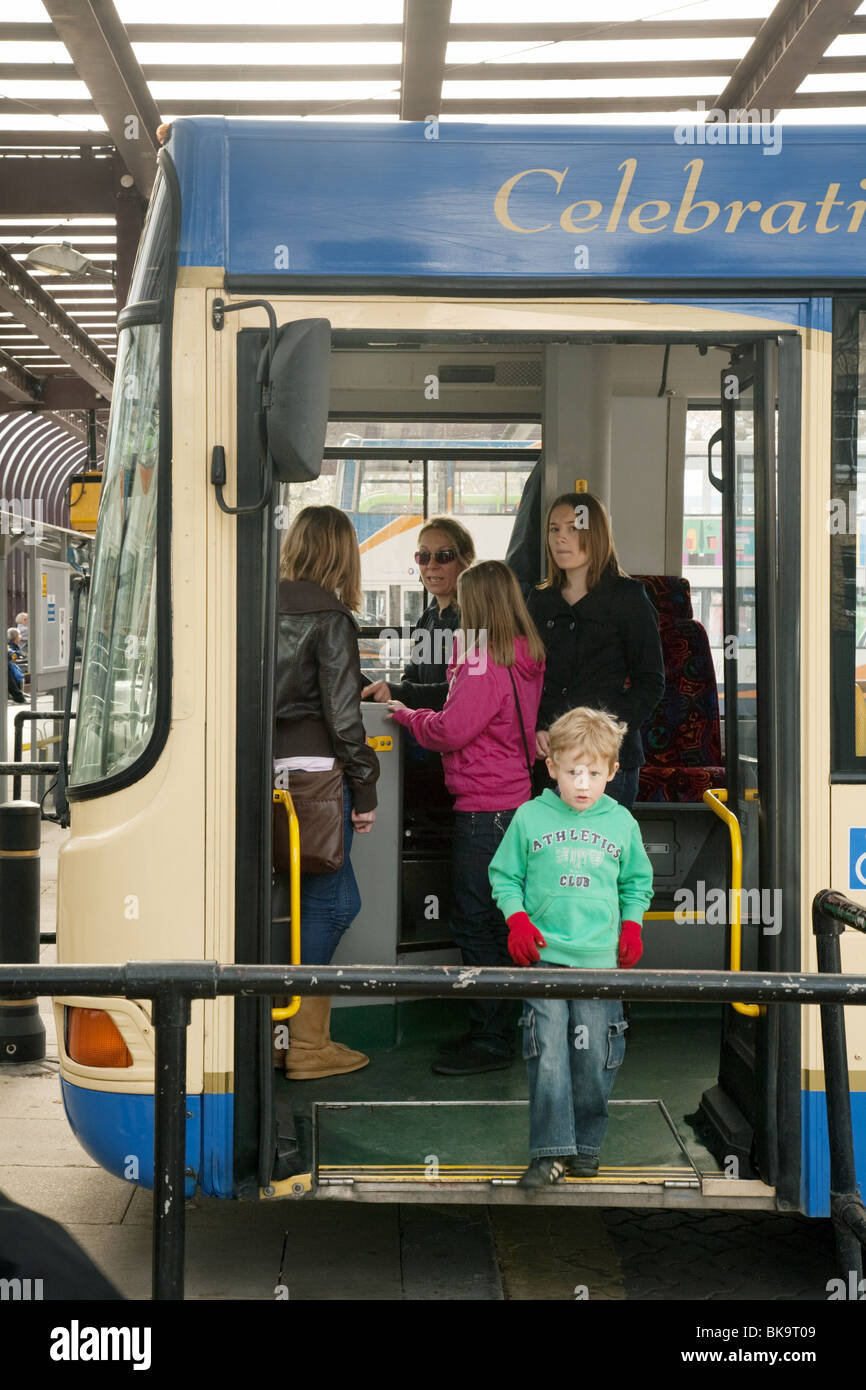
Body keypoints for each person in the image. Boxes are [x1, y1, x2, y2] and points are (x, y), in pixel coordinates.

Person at [387, 560, 545, 1074]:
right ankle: (503, 1026)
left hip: (483, 808)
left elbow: (451, 731)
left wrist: (407, 715)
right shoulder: (526, 656)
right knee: (503, 917)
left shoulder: (481, 663)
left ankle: (491, 1036)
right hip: (513, 799)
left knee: (476, 921)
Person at [488, 706, 653, 1188]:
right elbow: (504, 875)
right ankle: (550, 1152)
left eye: (595, 773)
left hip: (600, 962)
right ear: (552, 766)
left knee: (595, 1054)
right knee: (550, 1054)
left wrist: (632, 927)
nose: (583, 783)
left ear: (613, 772)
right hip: (543, 958)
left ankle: (585, 1147)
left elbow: (636, 884)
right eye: (572, 771)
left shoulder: (621, 822)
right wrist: (516, 920)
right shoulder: (529, 817)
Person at [274, 505, 380, 1079]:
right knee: (334, 900)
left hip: (266, 773)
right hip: (318, 775)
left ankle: (278, 1032)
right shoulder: (331, 616)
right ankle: (306, 1045)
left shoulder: (258, 601)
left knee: (288, 900)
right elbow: (344, 719)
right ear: (341, 553)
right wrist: (366, 788)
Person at [527, 493, 664, 810]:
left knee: (599, 856)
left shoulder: (628, 598)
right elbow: (528, 675)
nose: (561, 537)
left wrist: (602, 734)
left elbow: (650, 683)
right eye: (553, 529)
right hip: (551, 758)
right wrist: (534, 728)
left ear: (595, 534)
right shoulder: (539, 600)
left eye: (573, 528)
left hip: (607, 759)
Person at [362, 515, 476, 711]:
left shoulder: (474, 617)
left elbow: (463, 691)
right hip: (423, 727)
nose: (431, 565)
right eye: (423, 556)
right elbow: (413, 675)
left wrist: (401, 693)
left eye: (444, 555)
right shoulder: (428, 616)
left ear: (465, 560)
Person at [7, 628, 25, 703]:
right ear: (16, 637)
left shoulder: (13, 645)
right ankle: (19, 696)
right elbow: (13, 656)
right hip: (11, 667)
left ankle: (19, 695)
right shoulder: (11, 646)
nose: (21, 636)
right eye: (19, 635)